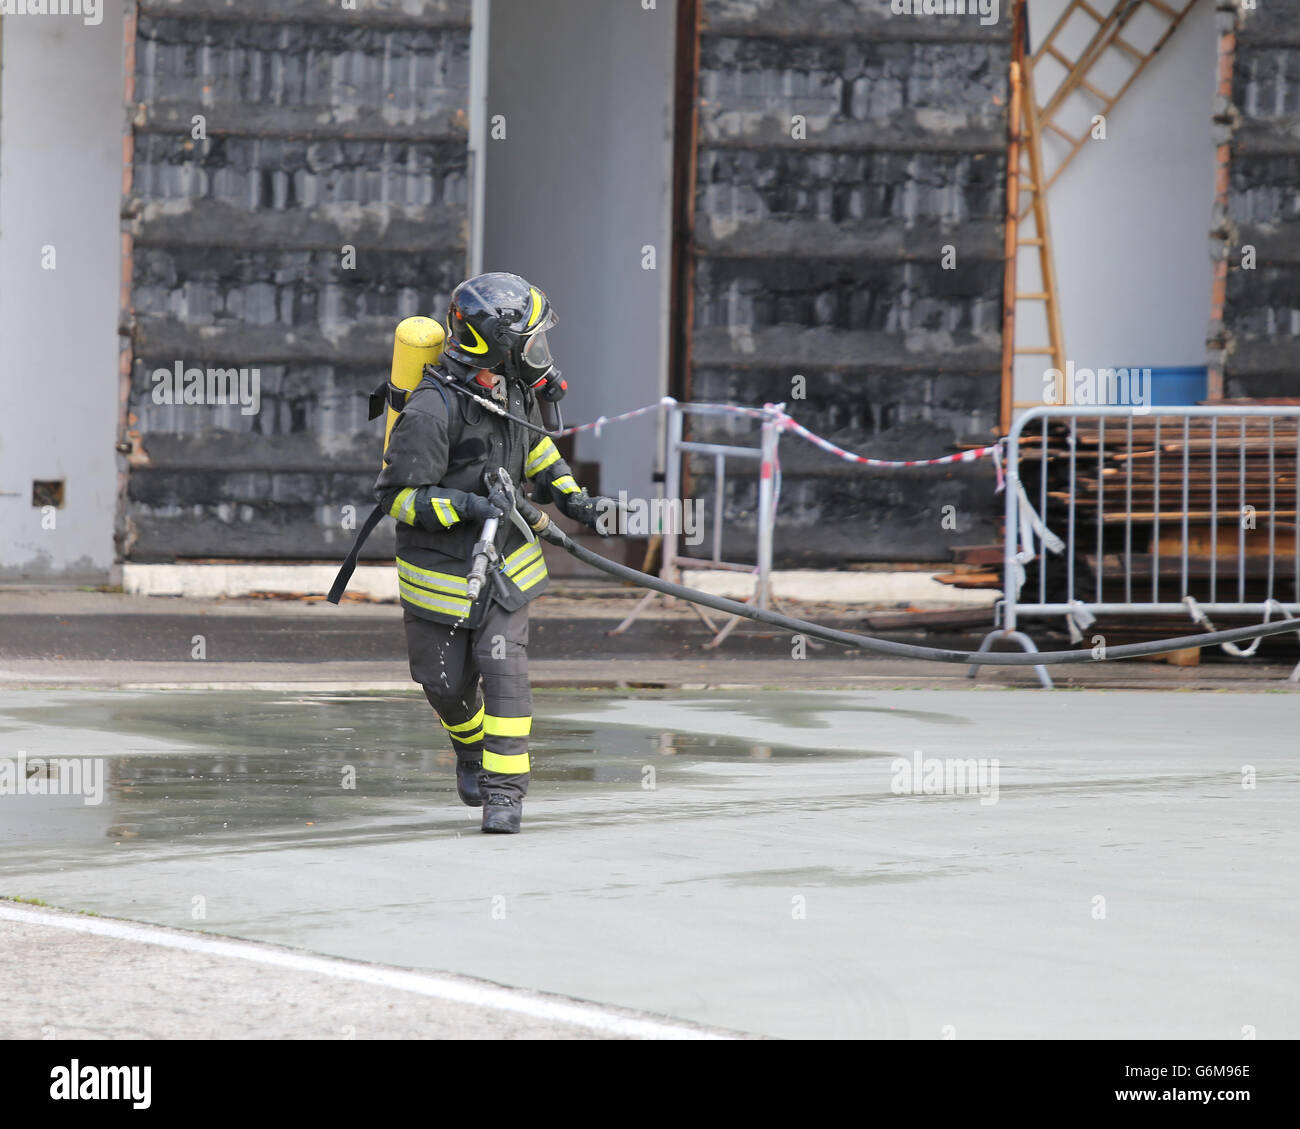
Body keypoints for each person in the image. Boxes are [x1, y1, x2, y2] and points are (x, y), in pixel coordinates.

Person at [374, 272, 613, 833]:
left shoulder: (509, 389)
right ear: (496, 343)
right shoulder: (433, 409)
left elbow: (534, 447)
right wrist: (469, 506)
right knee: (444, 684)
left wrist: (573, 498)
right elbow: (399, 500)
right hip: (440, 572)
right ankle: (469, 748)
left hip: (506, 564)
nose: (540, 354)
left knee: (504, 671)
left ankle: (503, 794)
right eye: (531, 342)